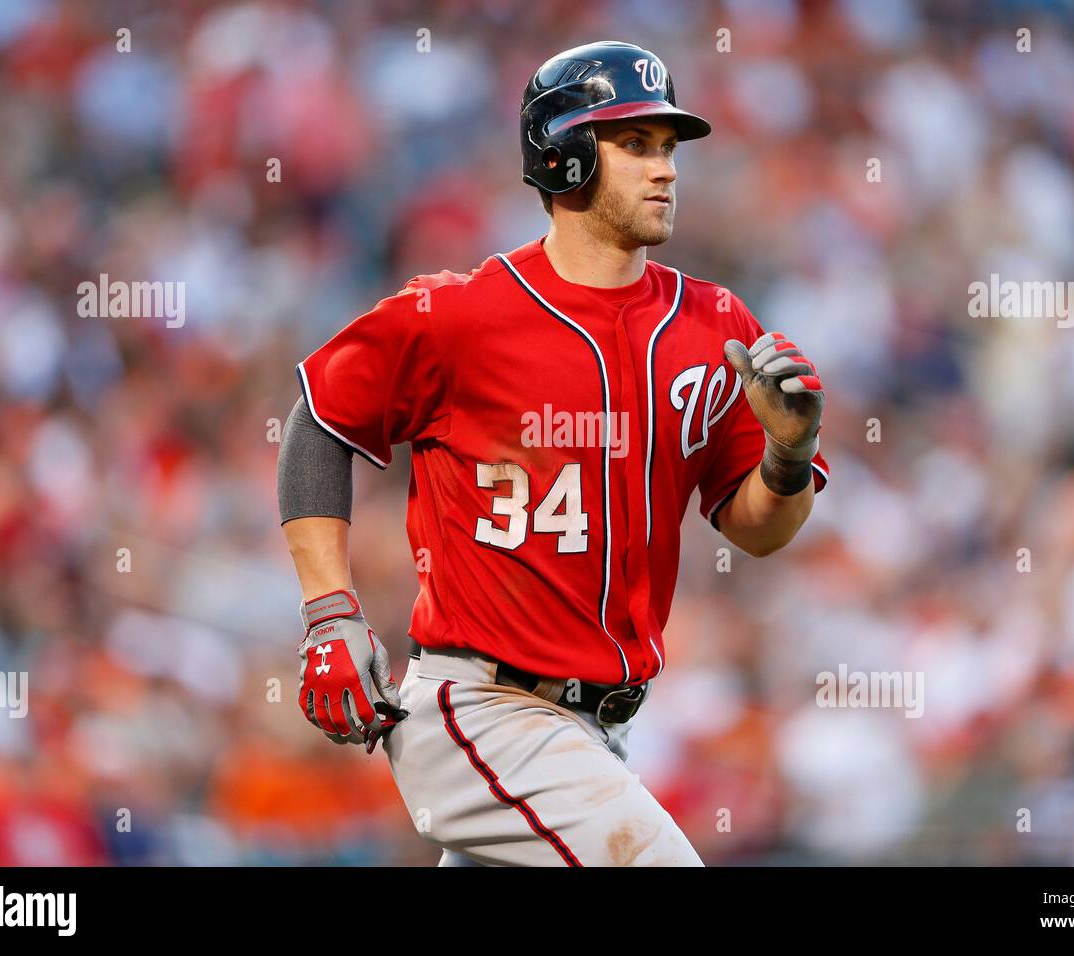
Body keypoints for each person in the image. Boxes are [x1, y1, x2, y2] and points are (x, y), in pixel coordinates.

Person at [276, 40, 828, 866]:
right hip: (483, 710)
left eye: (669, 147)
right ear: (562, 154)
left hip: (601, 732)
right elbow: (320, 420)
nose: (664, 169)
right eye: (634, 144)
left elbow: (756, 529)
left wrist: (788, 452)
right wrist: (330, 610)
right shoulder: (459, 315)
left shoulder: (715, 325)